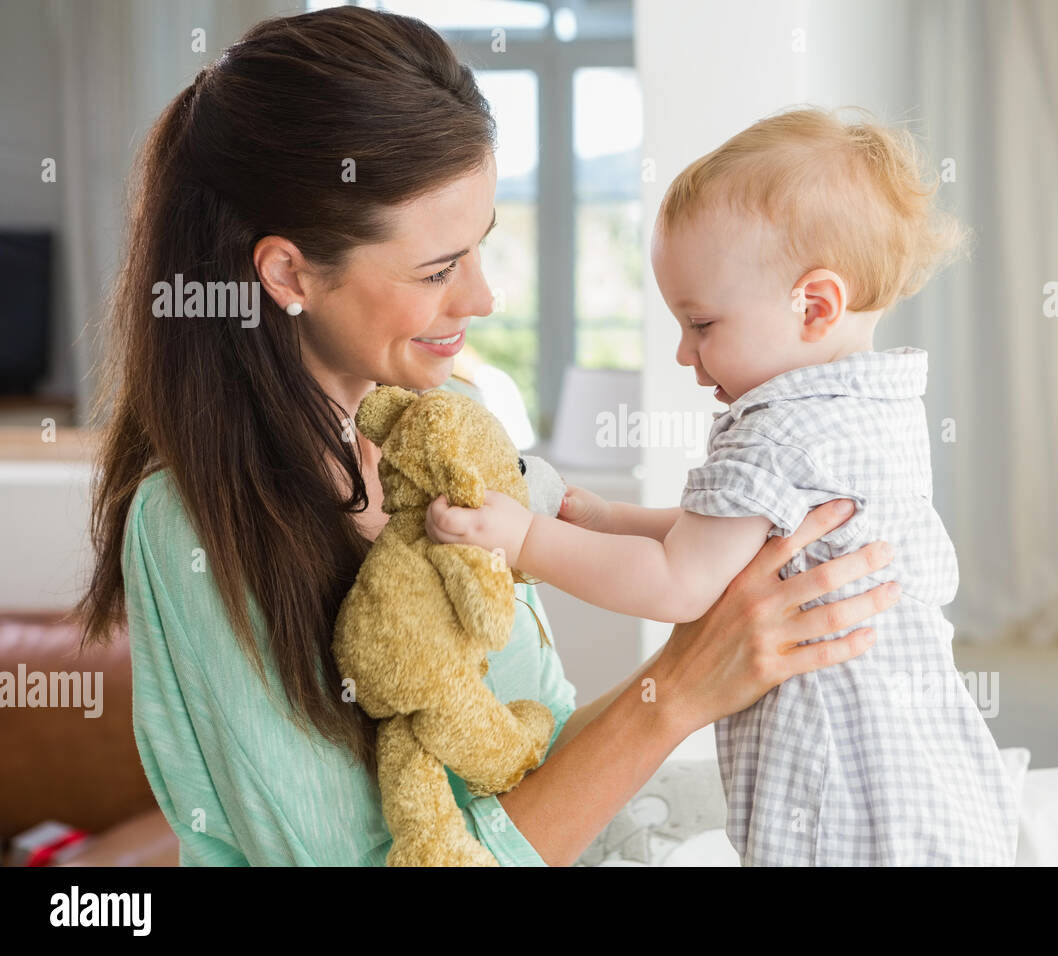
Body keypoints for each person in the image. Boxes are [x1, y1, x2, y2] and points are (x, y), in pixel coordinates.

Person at [73, 6, 899, 867]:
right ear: (289, 274)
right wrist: (677, 691)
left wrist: (707, 686)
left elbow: (521, 768)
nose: (482, 300)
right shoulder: (193, 526)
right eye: (437, 270)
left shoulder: (453, 436)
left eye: (480, 249)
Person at [427, 107, 1018, 865]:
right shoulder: (872, 407)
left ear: (814, 306)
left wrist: (528, 540)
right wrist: (609, 518)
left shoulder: (776, 427)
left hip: (840, 785)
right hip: (928, 769)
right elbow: (729, 534)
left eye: (701, 324)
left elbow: (680, 585)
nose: (683, 352)